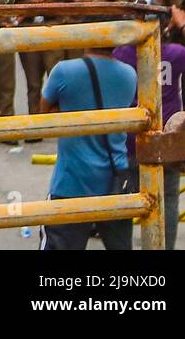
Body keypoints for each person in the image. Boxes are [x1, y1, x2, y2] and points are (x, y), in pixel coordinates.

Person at [112, 7, 185, 249]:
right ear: (165, 26)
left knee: (126, 199)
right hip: (168, 139)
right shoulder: (173, 53)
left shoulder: (121, 53)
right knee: (168, 200)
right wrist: (184, 23)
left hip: (130, 139)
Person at [39, 48, 137, 250]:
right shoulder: (129, 74)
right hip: (116, 182)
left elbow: (43, 113)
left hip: (72, 181)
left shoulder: (64, 71)